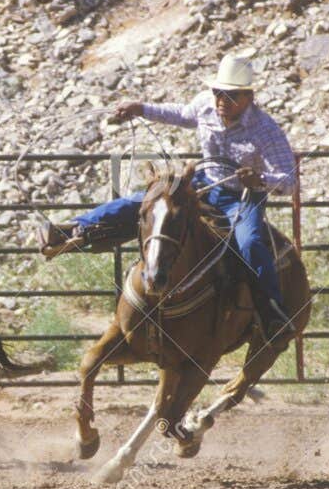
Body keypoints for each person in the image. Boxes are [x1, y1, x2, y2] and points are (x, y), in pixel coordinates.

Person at [34, 49, 297, 340]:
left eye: (230, 95)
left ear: (248, 98)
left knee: (250, 242)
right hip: (204, 180)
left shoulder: (266, 130)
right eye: (218, 92)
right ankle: (74, 229)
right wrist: (141, 108)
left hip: (243, 196)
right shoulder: (205, 106)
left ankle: (272, 312)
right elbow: (181, 114)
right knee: (145, 202)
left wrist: (260, 178)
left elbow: (288, 179)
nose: (221, 100)